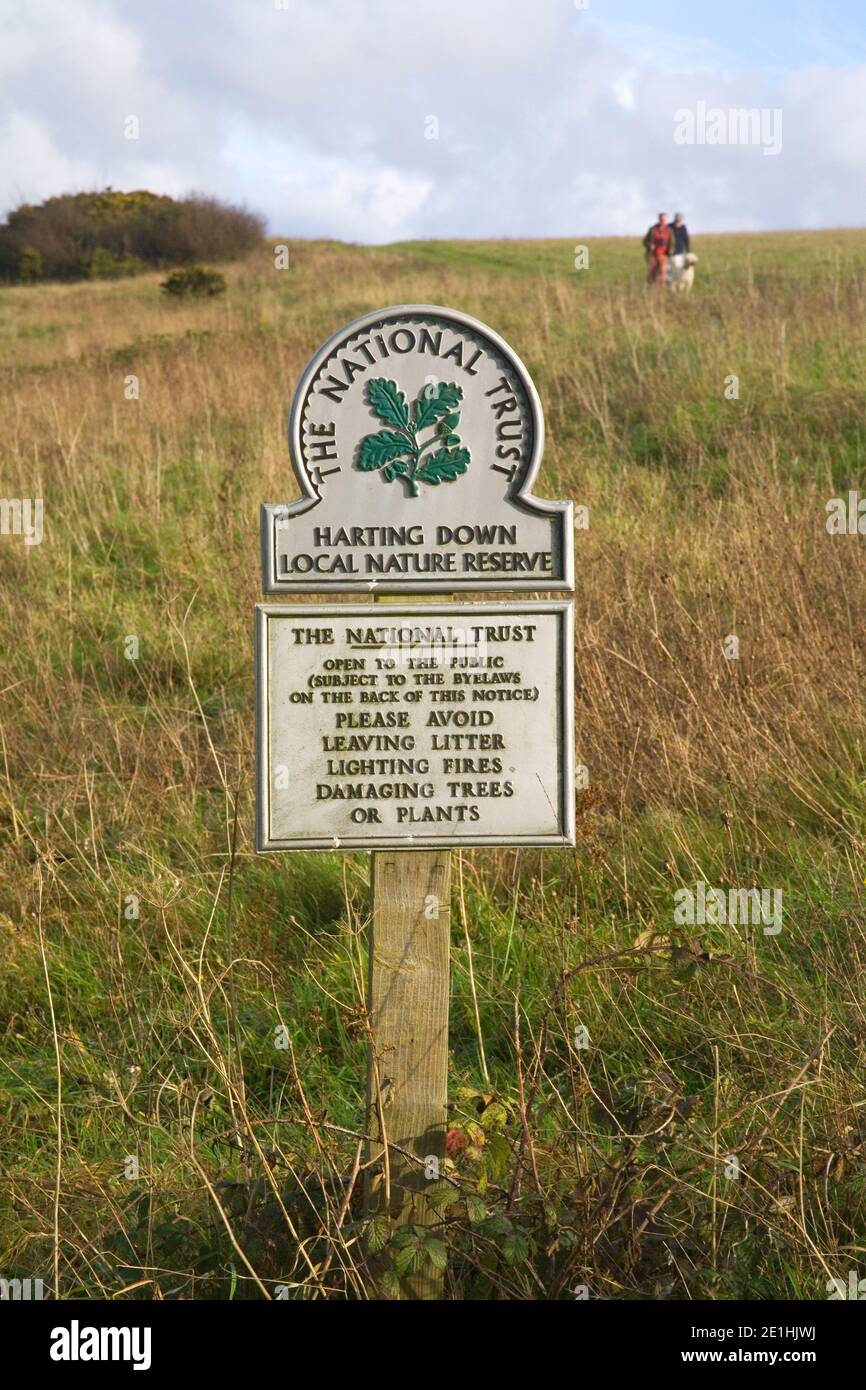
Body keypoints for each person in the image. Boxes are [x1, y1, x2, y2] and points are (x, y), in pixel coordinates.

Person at [642, 212, 673, 287]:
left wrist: (671, 249)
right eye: (661, 219)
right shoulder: (653, 229)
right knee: (651, 273)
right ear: (659, 219)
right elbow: (644, 241)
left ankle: (662, 289)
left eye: (664, 219)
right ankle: (651, 288)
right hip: (653, 255)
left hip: (664, 255)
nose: (663, 221)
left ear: (666, 220)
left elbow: (672, 242)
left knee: (663, 272)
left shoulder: (669, 230)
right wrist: (650, 246)